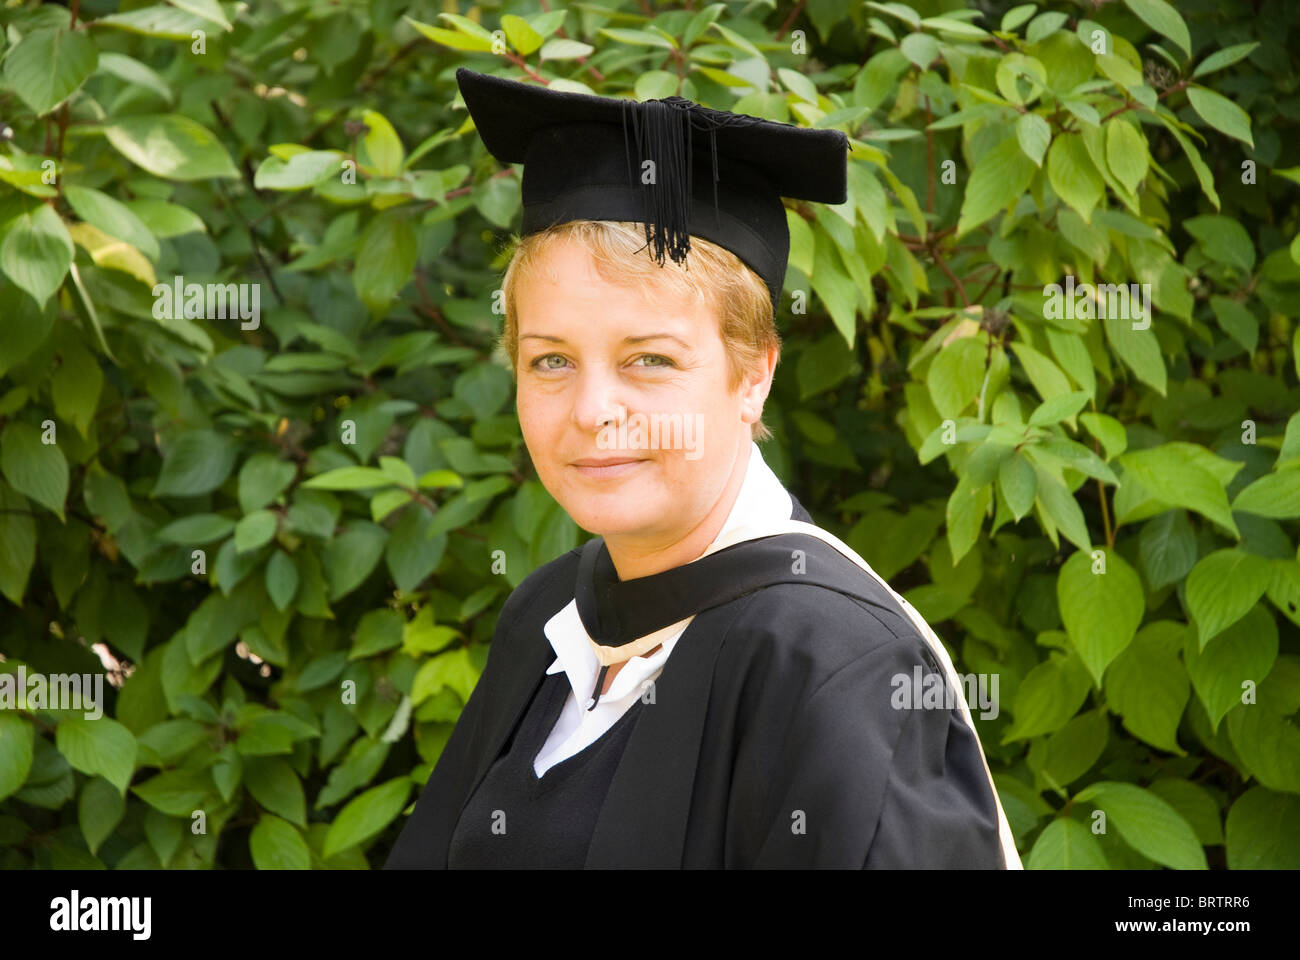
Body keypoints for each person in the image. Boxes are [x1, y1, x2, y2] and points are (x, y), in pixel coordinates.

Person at [383, 67, 1022, 869]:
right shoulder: (548, 618)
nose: (591, 411)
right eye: (550, 361)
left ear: (753, 374)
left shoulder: (833, 665)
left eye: (649, 359)